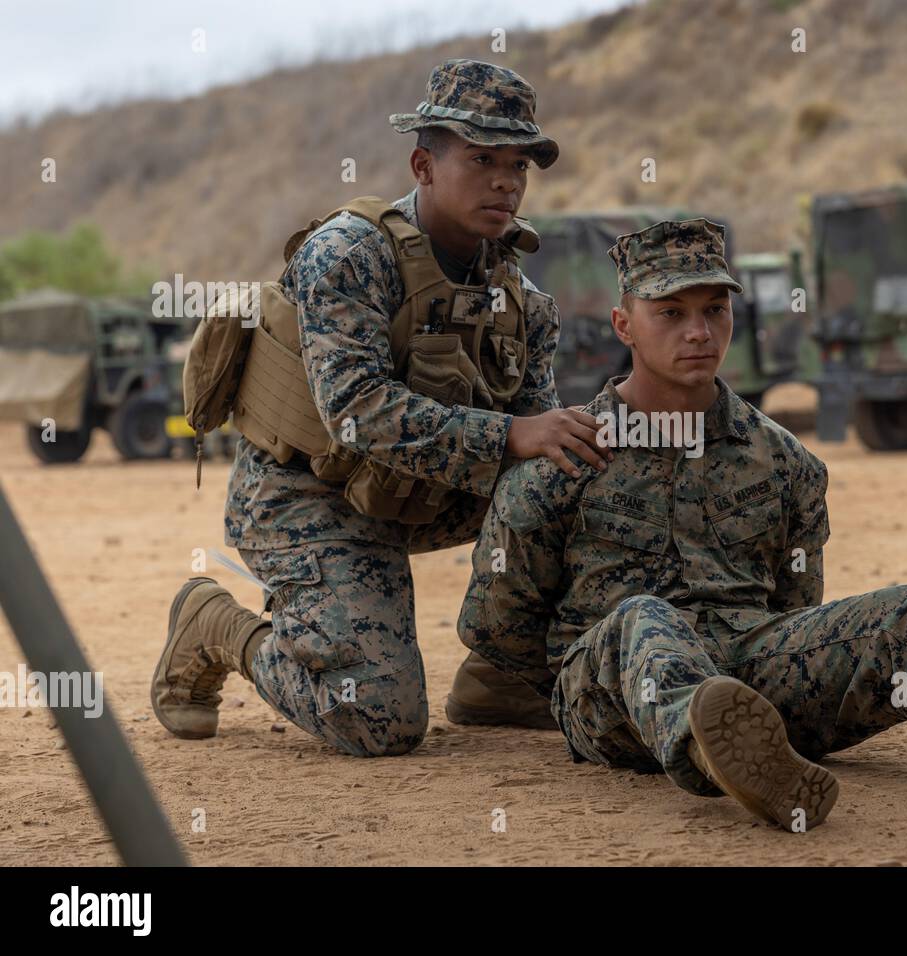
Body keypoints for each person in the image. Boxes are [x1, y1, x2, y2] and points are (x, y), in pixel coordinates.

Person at [458, 218, 907, 831]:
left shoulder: (784, 463)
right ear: (625, 325)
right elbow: (500, 623)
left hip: (750, 674)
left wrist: (778, 670)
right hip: (611, 694)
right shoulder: (566, 452)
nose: (699, 331)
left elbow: (795, 610)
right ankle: (718, 752)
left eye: (714, 310)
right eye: (671, 313)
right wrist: (575, 676)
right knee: (644, 620)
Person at [152, 59, 614, 757]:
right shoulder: (349, 255)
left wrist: (565, 443)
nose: (505, 182)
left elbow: (535, 454)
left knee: (570, 481)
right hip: (307, 496)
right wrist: (516, 434)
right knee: (379, 718)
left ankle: (504, 671)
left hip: (415, 494)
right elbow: (357, 413)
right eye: (483, 158)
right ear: (423, 165)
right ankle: (218, 626)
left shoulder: (522, 297)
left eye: (518, 165)